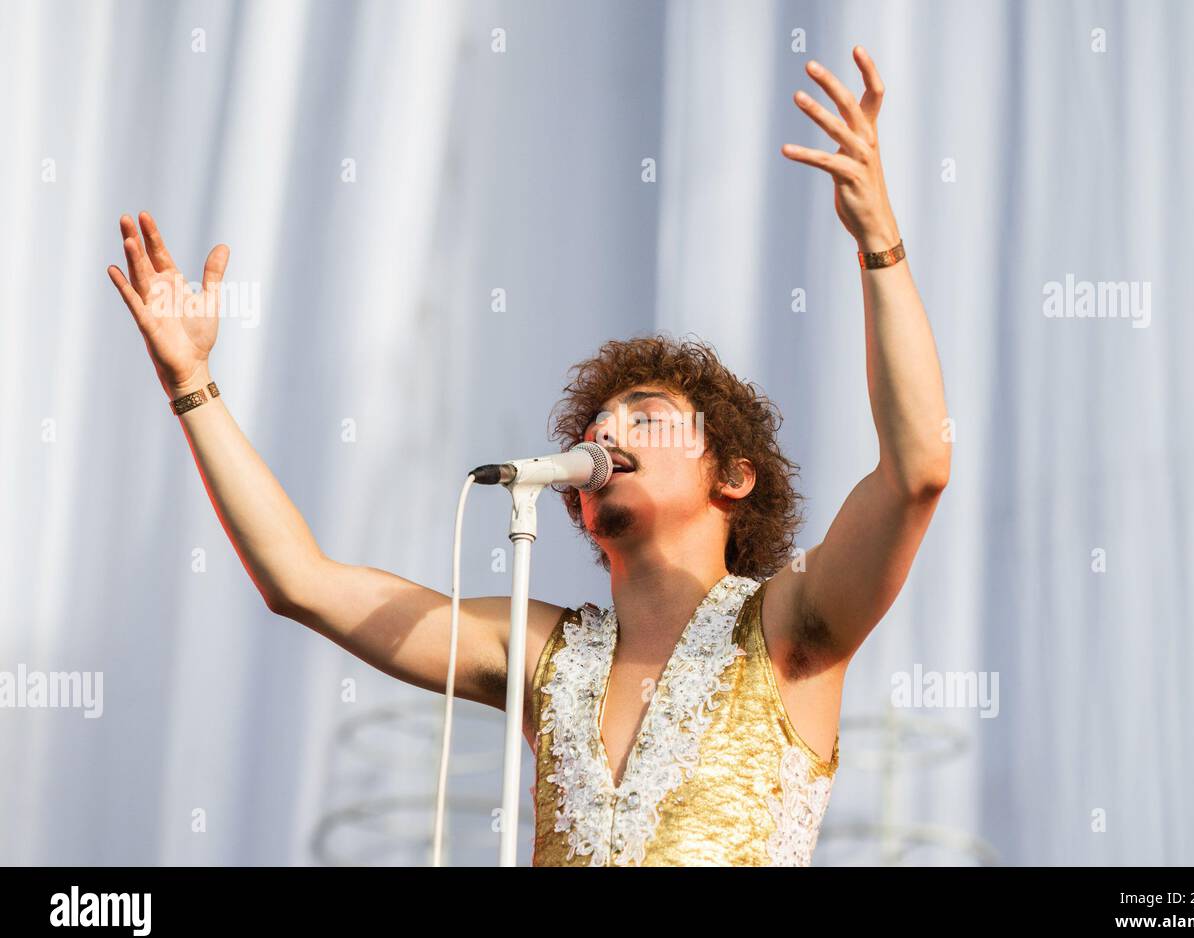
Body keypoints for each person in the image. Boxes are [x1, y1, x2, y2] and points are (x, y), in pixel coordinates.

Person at [106, 46, 949, 866]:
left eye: (645, 417)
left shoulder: (789, 628)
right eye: (597, 424)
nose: (606, 435)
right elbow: (301, 582)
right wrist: (193, 384)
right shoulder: (540, 653)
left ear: (732, 474)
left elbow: (918, 472)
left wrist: (879, 241)